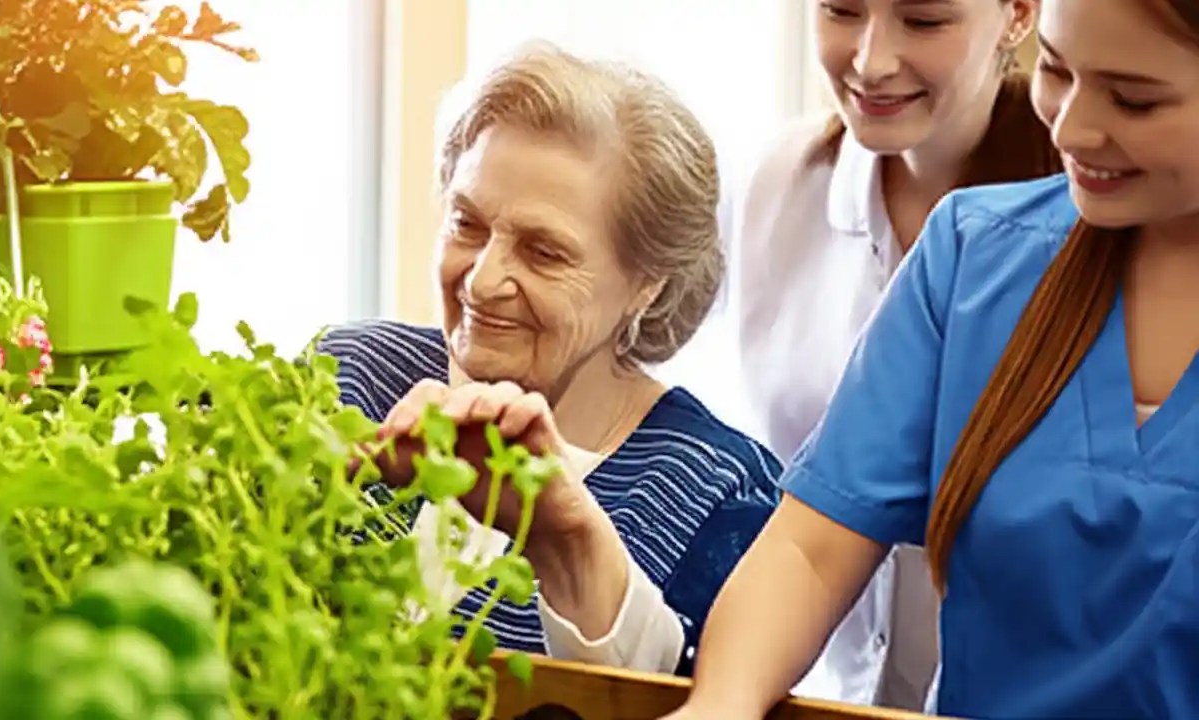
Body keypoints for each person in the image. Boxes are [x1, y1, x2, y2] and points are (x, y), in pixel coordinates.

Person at [667, 0, 1199, 717]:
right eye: (1056, 69)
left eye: (1133, 100)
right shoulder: (974, 259)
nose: (1070, 127)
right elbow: (811, 549)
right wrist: (720, 704)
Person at [317, 43, 782, 675]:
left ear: (650, 284)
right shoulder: (346, 375)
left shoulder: (720, 490)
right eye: (467, 225)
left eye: (543, 252)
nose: (482, 282)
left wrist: (565, 538)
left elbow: (692, 703)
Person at [727, 0, 1059, 709]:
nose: (871, 60)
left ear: (1019, 14)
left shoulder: (1084, 218)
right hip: (803, 690)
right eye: (842, 10)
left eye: (925, 21)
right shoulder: (776, 186)